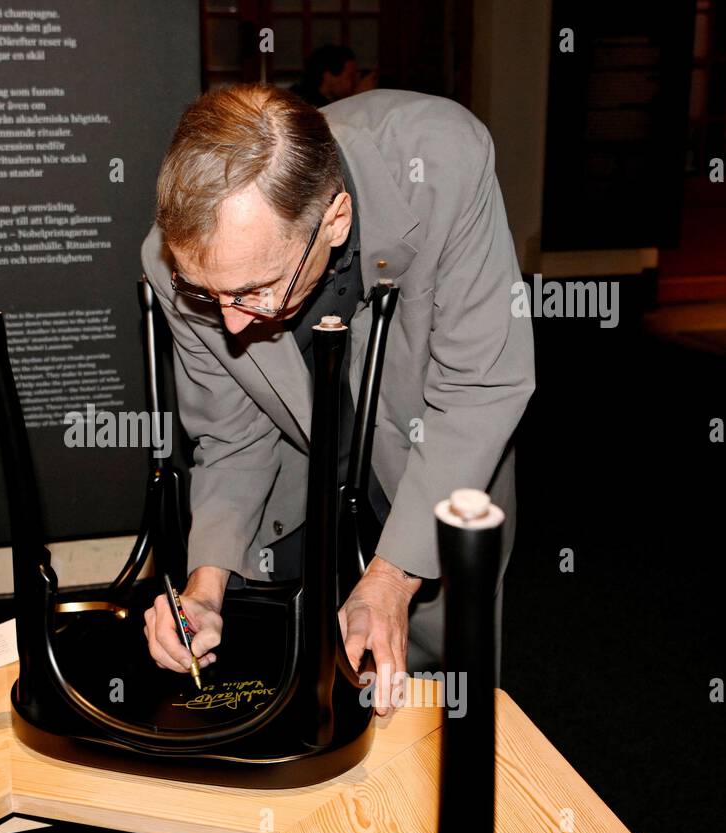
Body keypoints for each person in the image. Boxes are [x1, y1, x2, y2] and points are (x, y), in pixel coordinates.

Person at [139, 84, 535, 716]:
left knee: (430, 695)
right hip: (301, 489)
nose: (233, 327)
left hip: (434, 461)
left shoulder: (442, 162)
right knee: (293, 686)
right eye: (210, 296)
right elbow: (232, 437)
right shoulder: (181, 264)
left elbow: (480, 386)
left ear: (337, 219)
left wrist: (394, 574)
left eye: (255, 291)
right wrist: (205, 585)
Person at [290, 44, 376, 107]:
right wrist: (358, 98)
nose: (356, 81)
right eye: (351, 76)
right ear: (329, 77)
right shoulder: (301, 102)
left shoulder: (329, 101)